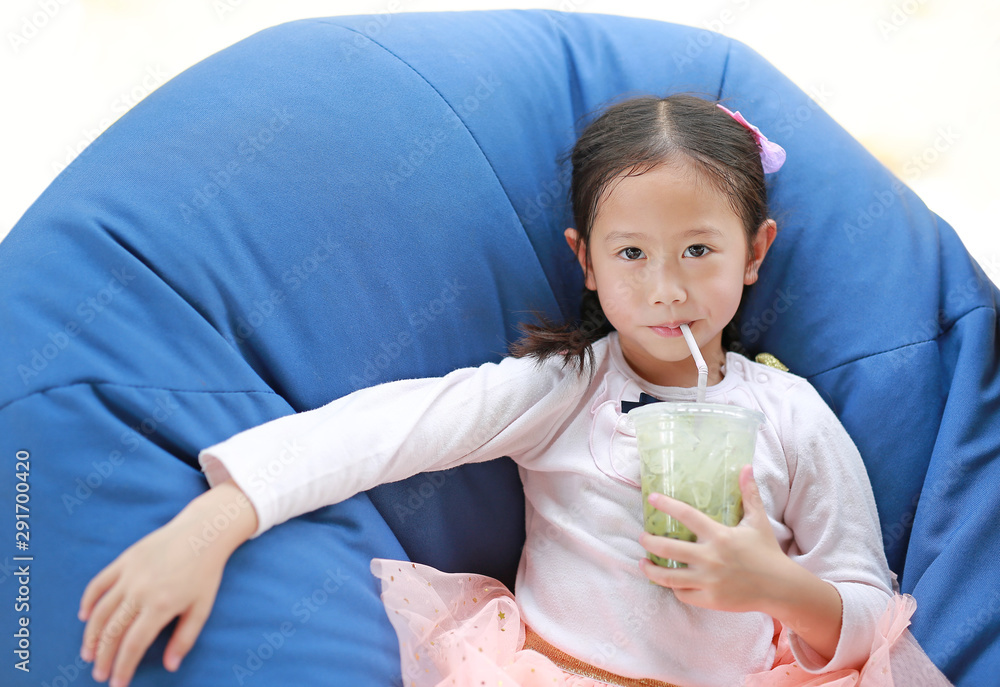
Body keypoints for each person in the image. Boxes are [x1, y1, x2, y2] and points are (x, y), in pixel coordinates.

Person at [77, 94, 949, 687]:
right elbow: (393, 429)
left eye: (700, 250)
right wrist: (211, 523)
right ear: (587, 261)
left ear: (756, 253)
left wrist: (772, 585)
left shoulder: (791, 415)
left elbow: (872, 612)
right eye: (631, 254)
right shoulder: (565, 387)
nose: (665, 289)